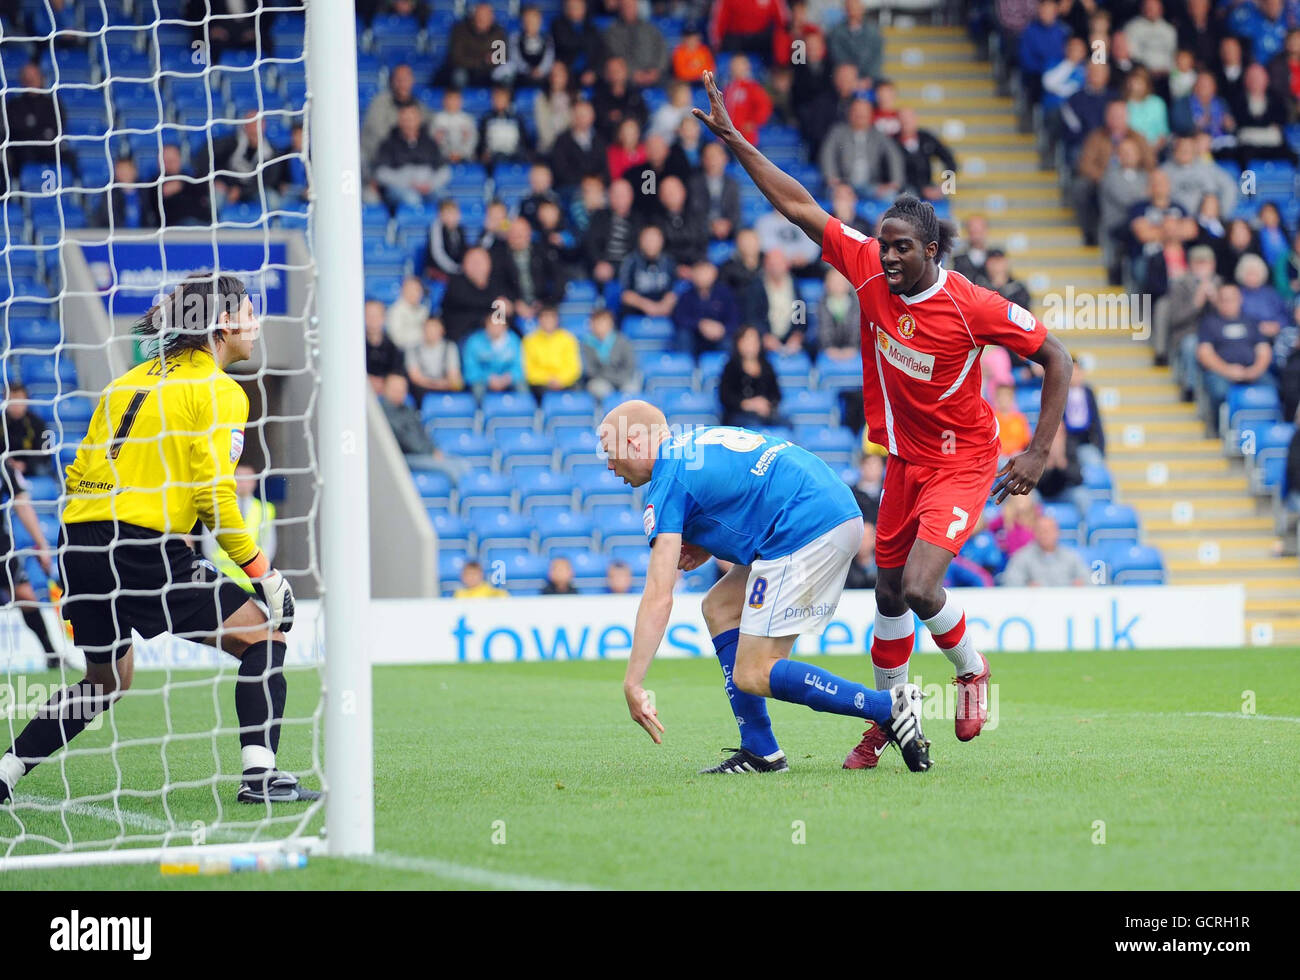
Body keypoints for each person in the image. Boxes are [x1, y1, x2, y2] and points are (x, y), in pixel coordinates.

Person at [691, 68, 1073, 766]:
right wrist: (738, 141)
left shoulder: (973, 304)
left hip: (962, 459)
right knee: (889, 598)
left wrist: (1039, 449)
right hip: (903, 460)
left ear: (930, 250)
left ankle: (970, 669)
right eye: (883, 244)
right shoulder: (866, 267)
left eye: (902, 247)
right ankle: (891, 720)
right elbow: (799, 207)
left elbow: (1057, 356)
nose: (887, 256)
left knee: (923, 587)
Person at [0, 273, 315, 806]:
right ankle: (260, 777)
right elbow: (215, 494)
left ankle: (5, 771)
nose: (256, 322)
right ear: (219, 325)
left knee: (105, 681)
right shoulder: (220, 391)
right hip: (142, 545)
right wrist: (262, 571)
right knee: (266, 639)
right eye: (247, 310)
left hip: (80, 541)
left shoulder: (127, 381)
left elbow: (83, 469)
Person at [602, 400, 931, 774]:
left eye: (610, 454)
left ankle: (887, 707)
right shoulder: (693, 443)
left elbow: (659, 595)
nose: (610, 467)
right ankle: (760, 750)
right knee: (720, 607)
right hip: (825, 509)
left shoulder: (668, 477)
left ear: (632, 441)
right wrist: (710, 544)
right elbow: (746, 486)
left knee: (754, 672)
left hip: (807, 526)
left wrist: (633, 682)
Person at [1, 459, 59, 670]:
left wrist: (42, 545)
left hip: (1, 545)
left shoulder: (4, 466)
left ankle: (52, 654)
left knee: (25, 595)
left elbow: (22, 503)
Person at [1195, 283, 1273, 426]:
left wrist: (1255, 370)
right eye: (1224, 299)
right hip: (1221, 373)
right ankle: (1218, 429)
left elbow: (1264, 350)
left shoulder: (1251, 321)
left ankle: (1266, 429)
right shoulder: (1209, 323)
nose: (1228, 303)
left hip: (1252, 371)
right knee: (1219, 391)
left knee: (1272, 387)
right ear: (1218, 301)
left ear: (1240, 300)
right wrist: (1227, 370)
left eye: (1232, 299)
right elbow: (1205, 353)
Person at [202, 463, 277, 595]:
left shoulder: (265, 509)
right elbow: (208, 545)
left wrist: (259, 570)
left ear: (254, 482)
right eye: (238, 478)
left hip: (253, 581)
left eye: (246, 478)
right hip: (224, 580)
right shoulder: (217, 508)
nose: (242, 483)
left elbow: (269, 545)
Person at [719, 324, 786, 428]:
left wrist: (766, 405)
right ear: (738, 343)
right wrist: (747, 404)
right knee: (752, 426)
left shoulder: (767, 366)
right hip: (738, 416)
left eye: (754, 341)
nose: (750, 345)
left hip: (764, 414)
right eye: (746, 340)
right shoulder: (731, 367)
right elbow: (725, 397)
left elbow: (776, 395)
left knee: (785, 424)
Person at [1001, 512, 1089, 586]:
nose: (1045, 534)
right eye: (1041, 530)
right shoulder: (1022, 556)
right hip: (1032, 604)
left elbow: (1088, 580)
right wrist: (1026, 587)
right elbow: (1010, 582)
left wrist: (1080, 585)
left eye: (1049, 530)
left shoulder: (1070, 556)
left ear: (1057, 532)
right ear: (1035, 533)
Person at [673, 259, 739, 357]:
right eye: (699, 272)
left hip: (718, 336)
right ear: (692, 275)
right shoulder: (685, 295)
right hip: (695, 336)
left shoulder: (725, 294)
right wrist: (700, 324)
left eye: (705, 272)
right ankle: (686, 367)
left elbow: (734, 320)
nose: (702, 276)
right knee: (683, 335)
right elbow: (679, 319)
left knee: (728, 341)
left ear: (714, 274)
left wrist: (722, 329)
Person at [463, 311, 526, 399]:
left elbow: (519, 367)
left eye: (499, 324)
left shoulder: (514, 341)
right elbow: (470, 369)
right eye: (492, 324)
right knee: (477, 388)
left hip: (508, 380)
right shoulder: (474, 341)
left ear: (506, 326)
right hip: (482, 381)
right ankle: (479, 412)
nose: (495, 327)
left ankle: (522, 411)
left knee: (522, 387)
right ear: (486, 325)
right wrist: (488, 378)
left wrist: (508, 378)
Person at [522, 305, 582, 397]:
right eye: (545, 317)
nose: (548, 320)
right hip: (540, 384)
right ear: (539, 320)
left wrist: (561, 380)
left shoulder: (568, 338)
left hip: (565, 383)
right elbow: (529, 369)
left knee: (578, 391)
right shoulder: (529, 341)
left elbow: (574, 368)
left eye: (551, 317)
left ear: (557, 319)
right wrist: (548, 379)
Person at [581, 308, 639, 399]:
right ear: (591, 324)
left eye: (604, 321)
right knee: (600, 389)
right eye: (597, 322)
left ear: (611, 323)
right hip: (600, 381)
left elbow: (630, 366)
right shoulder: (586, 344)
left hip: (623, 379)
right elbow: (589, 370)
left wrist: (618, 379)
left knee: (631, 390)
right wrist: (609, 379)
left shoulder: (623, 341)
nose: (601, 325)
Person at [406, 316, 463, 399]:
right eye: (428, 328)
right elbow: (416, 377)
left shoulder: (450, 347)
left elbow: (453, 376)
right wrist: (437, 384)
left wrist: (445, 384)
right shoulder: (413, 348)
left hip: (446, 387)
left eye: (435, 328)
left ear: (442, 330)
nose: (431, 331)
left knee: (458, 386)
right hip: (422, 390)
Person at [3, 383, 53, 477]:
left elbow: (45, 452)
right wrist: (8, 463)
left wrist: (25, 465)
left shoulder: (37, 423)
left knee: (42, 470)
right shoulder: (1, 422)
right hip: (5, 466)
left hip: (32, 467)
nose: (15, 404)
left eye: (19, 399)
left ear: (26, 400)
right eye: (12, 399)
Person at [364, 300, 406, 395]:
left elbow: (397, 372)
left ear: (384, 318)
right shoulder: (356, 347)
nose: (372, 320)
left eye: (376, 316)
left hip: (387, 390)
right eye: (369, 316)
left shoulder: (393, 346)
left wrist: (384, 382)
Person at [425, 197, 468, 280]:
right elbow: (438, 254)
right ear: (441, 215)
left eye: (454, 213)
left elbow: (463, 251)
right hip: (438, 270)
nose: (452, 217)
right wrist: (455, 269)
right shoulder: (436, 229)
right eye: (448, 213)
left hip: (456, 270)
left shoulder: (460, 229)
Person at [385, 275, 429, 353]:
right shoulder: (395, 311)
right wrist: (424, 334)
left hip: (424, 353)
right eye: (409, 289)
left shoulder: (424, 310)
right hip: (402, 354)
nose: (413, 293)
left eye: (417, 290)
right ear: (402, 291)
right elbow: (398, 340)